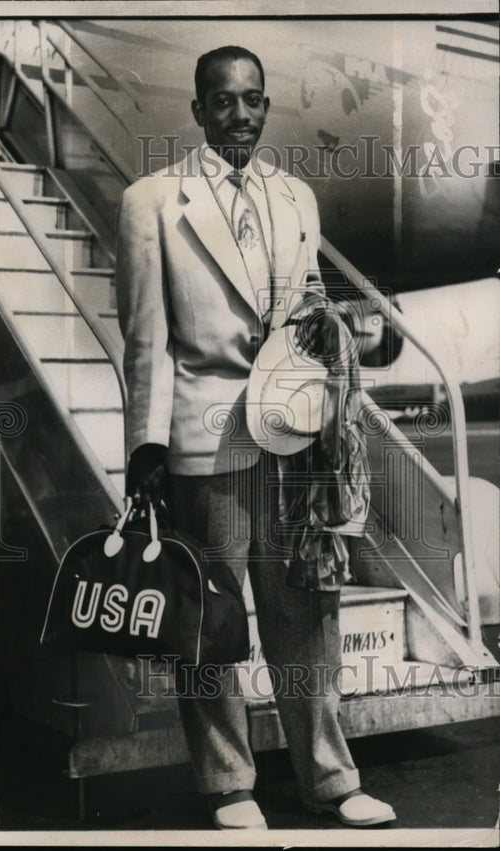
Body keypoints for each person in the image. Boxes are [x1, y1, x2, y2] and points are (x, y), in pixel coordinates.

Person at [115, 44, 396, 830]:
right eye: (223, 100)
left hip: (293, 433)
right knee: (209, 617)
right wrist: (146, 446)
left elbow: (305, 310)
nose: (240, 114)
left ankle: (332, 780)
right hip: (204, 434)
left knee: (307, 607)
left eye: (253, 100)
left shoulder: (297, 197)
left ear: (267, 107)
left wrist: (335, 344)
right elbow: (145, 340)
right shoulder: (152, 199)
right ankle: (229, 784)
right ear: (199, 110)